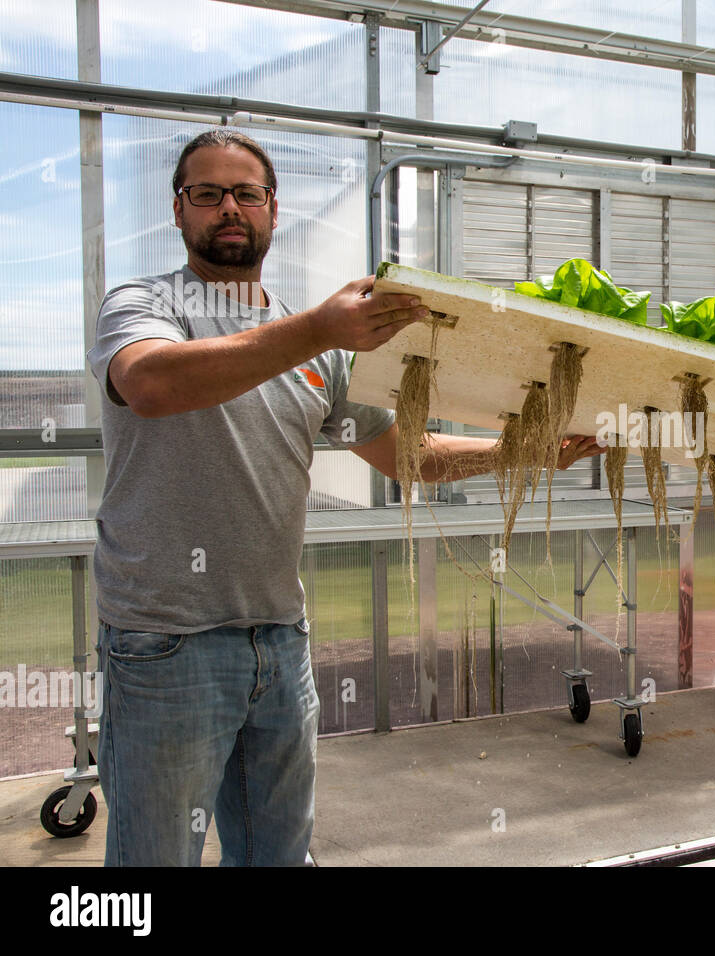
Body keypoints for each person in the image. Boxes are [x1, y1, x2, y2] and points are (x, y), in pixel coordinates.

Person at [86, 129, 599, 866]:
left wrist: (527, 452)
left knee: (279, 854)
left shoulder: (321, 352)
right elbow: (152, 384)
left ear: (272, 210)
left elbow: (412, 456)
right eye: (208, 194)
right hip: (166, 642)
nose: (229, 208)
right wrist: (320, 327)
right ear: (178, 211)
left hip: (278, 640)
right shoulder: (146, 305)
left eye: (247, 194)